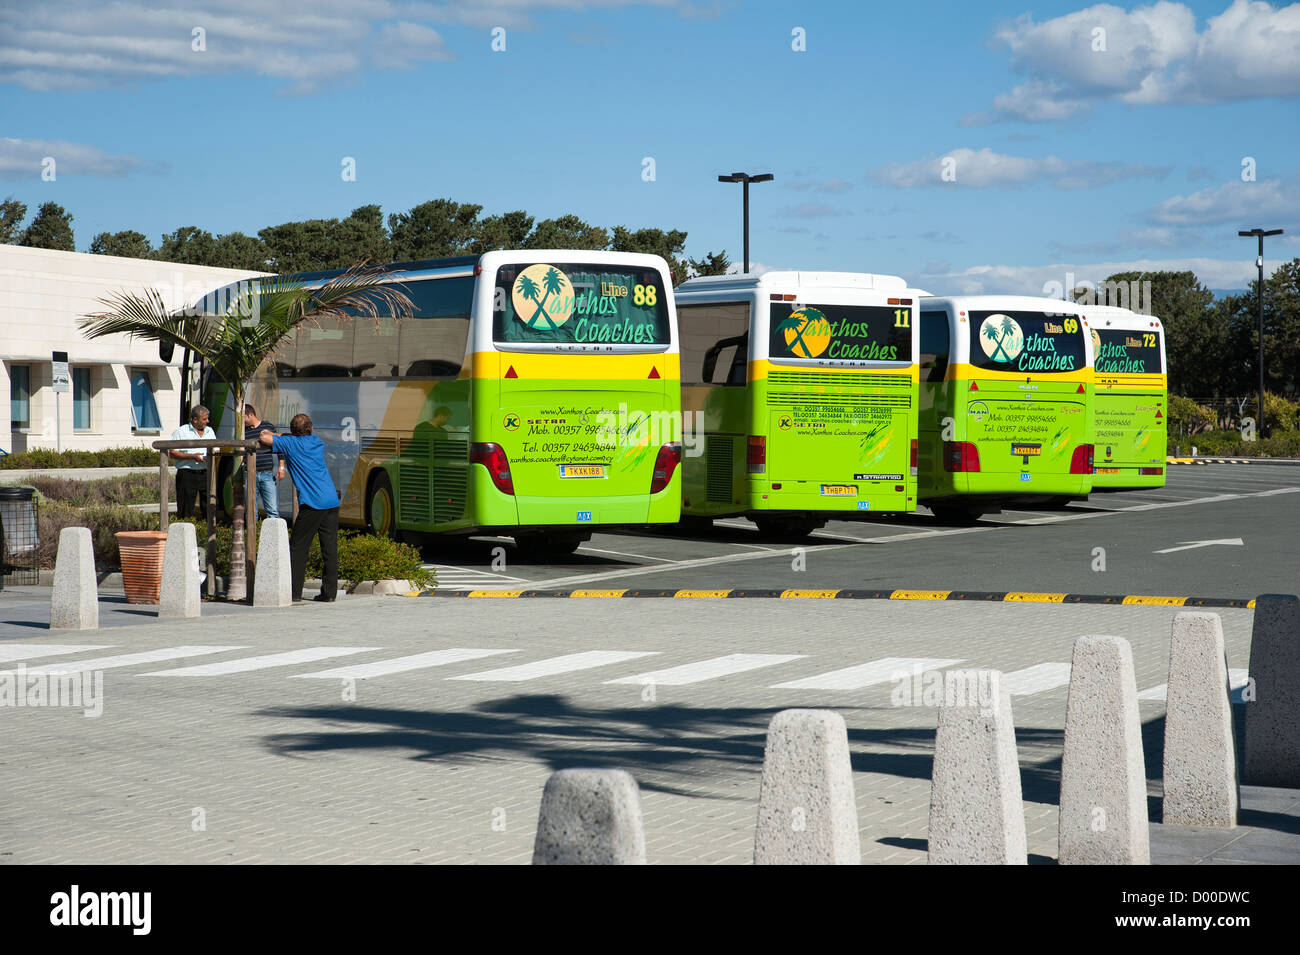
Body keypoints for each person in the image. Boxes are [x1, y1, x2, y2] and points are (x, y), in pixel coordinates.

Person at [260, 413, 339, 602]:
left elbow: (263, 435)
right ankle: (329, 594)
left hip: (313, 503)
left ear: (293, 431)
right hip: (331, 500)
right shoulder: (316, 441)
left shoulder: (291, 444)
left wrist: (281, 436)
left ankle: (294, 593)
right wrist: (286, 437)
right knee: (329, 549)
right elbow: (292, 437)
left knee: (297, 548)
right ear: (310, 429)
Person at [170, 405, 215, 519]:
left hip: (205, 472)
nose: (207, 421)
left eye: (207, 418)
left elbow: (216, 449)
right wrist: (191, 457)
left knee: (208, 506)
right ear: (195, 419)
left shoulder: (210, 431)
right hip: (187, 473)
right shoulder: (181, 431)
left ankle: (207, 532)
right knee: (186, 508)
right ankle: (184, 531)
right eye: (204, 419)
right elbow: (172, 452)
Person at [242, 404, 286, 520]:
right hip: (249, 474)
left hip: (267, 473)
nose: (242, 421)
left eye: (243, 417)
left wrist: (281, 467)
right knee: (251, 511)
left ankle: (275, 536)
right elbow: (240, 454)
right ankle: (252, 536)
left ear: (250, 415)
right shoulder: (242, 431)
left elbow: (279, 447)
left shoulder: (268, 427)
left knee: (272, 510)